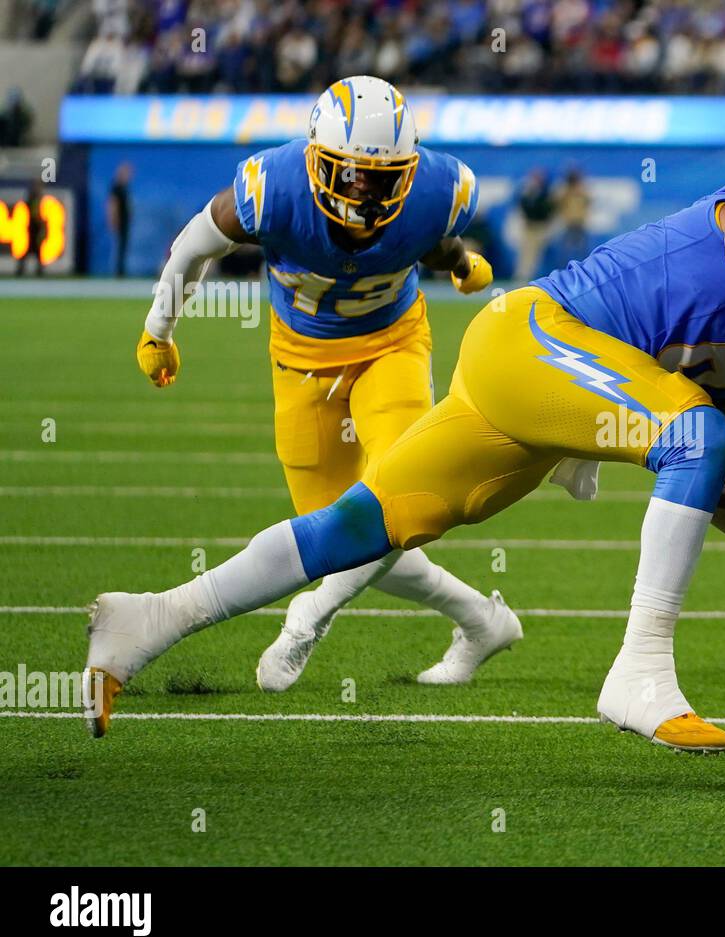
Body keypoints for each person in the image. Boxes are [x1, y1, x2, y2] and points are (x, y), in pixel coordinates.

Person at [84, 156, 725, 753]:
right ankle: (640, 671)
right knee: (696, 430)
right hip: (535, 332)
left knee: (360, 526)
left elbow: (714, 478)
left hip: (534, 389)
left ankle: (154, 616)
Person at [132, 76, 518, 693]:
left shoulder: (437, 190)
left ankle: (309, 616)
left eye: (383, 175)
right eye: (350, 172)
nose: (364, 187)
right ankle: (480, 618)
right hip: (300, 362)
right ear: (316, 159)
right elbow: (193, 247)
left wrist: (460, 262)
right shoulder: (274, 189)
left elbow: (428, 237)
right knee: (336, 531)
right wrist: (160, 328)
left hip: (391, 348)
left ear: (408, 171)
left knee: (396, 497)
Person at [106, 163, 133, 278]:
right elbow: (112, 204)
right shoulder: (116, 187)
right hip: (120, 221)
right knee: (119, 247)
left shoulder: (124, 188)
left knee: (123, 247)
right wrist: (113, 219)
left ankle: (121, 270)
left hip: (125, 221)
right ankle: (118, 271)